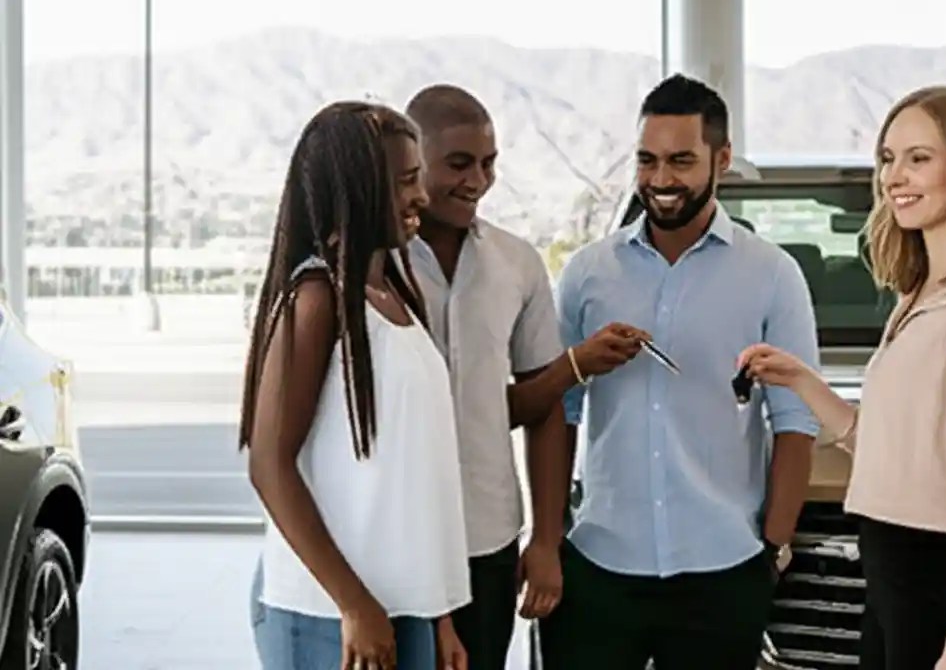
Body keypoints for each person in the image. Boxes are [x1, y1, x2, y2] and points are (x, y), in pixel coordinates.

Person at [737, 84, 946, 670]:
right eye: (888, 158)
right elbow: (893, 449)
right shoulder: (919, 295)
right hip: (892, 578)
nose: (894, 176)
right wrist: (799, 379)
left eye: (919, 158)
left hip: (939, 589)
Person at [538, 74, 821, 669]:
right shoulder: (588, 273)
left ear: (721, 159)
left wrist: (771, 548)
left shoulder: (772, 275)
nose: (661, 179)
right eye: (647, 160)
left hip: (723, 572)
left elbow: (795, 423)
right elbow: (559, 413)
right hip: (598, 566)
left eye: (681, 161)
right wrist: (549, 536)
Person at [402, 84, 649, 670]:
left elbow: (541, 408)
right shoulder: (374, 262)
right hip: (395, 540)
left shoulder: (517, 264)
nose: (478, 181)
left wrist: (545, 537)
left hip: (486, 540)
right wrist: (577, 363)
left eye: (489, 164)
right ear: (413, 164)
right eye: (458, 164)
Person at [240, 100, 469, 670]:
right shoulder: (317, 300)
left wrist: (437, 613)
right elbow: (269, 463)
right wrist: (354, 605)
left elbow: (413, 473)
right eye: (405, 182)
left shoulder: (392, 292)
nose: (421, 196)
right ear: (357, 188)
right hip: (333, 615)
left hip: (399, 606)